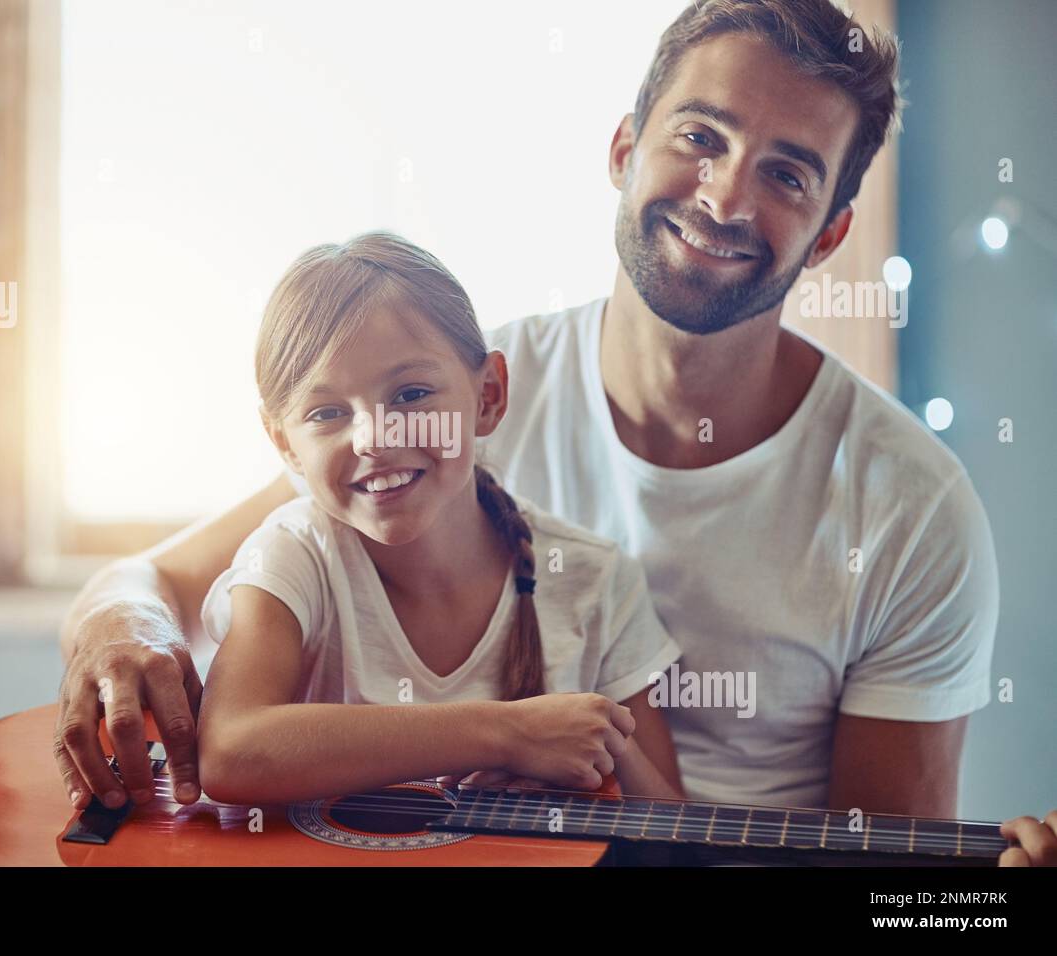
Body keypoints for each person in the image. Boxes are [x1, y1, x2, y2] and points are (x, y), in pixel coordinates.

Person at [55, 0, 1055, 865]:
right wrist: (121, 620)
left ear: (830, 233)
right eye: (699, 136)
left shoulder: (909, 507)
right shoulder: (439, 402)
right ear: (623, 149)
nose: (724, 195)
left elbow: (889, 878)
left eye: (787, 174)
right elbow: (157, 582)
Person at [193, 232, 684, 804]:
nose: (375, 438)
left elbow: (672, 830)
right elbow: (229, 750)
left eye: (410, 394)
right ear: (286, 446)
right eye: (327, 412)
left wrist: (605, 751)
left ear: (489, 395)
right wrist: (506, 735)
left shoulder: (597, 581)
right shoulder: (294, 554)